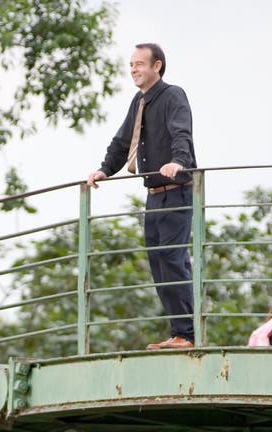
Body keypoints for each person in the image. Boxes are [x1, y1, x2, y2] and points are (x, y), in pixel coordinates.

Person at [87, 42, 197, 350]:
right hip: (153, 194)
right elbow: (123, 141)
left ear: (157, 66)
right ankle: (178, 332)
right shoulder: (140, 101)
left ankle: (187, 334)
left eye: (139, 64)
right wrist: (104, 170)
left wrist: (179, 162)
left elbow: (181, 133)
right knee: (158, 262)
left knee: (173, 259)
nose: (133, 69)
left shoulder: (173, 95)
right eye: (131, 65)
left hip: (177, 191)